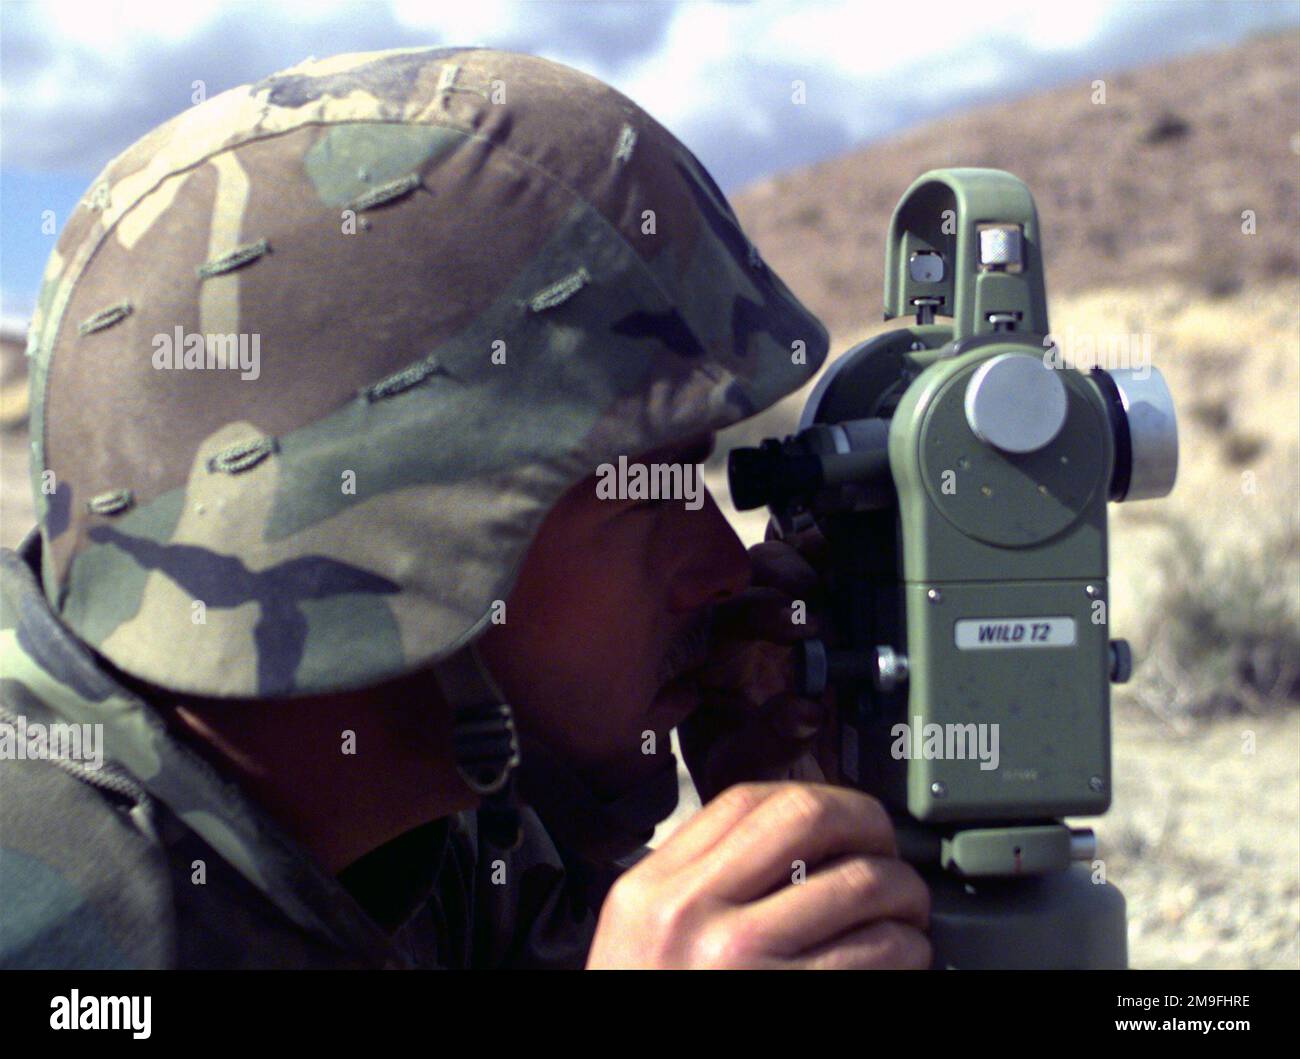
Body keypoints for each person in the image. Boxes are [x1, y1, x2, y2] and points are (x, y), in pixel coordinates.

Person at [0, 46, 929, 969]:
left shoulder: (424, 819)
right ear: (381, 543)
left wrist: (792, 836)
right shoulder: (47, 915)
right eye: (645, 493)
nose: (722, 566)